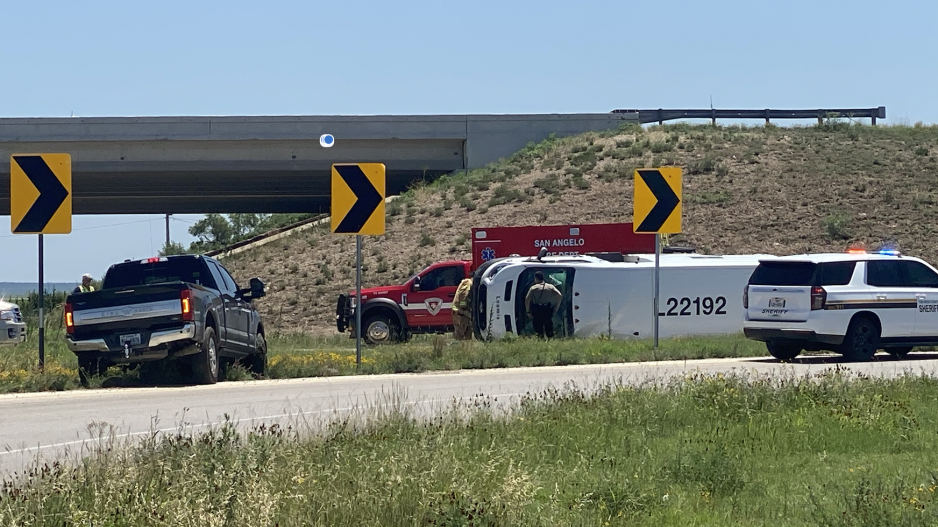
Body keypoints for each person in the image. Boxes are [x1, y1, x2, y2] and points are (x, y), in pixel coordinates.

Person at [525, 270, 562, 339]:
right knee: (548, 325)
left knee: (538, 327)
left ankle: (541, 339)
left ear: (536, 278)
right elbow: (559, 295)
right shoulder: (550, 287)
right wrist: (557, 307)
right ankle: (550, 338)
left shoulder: (533, 288)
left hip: (537, 310)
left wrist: (528, 311)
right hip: (547, 309)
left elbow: (527, 299)